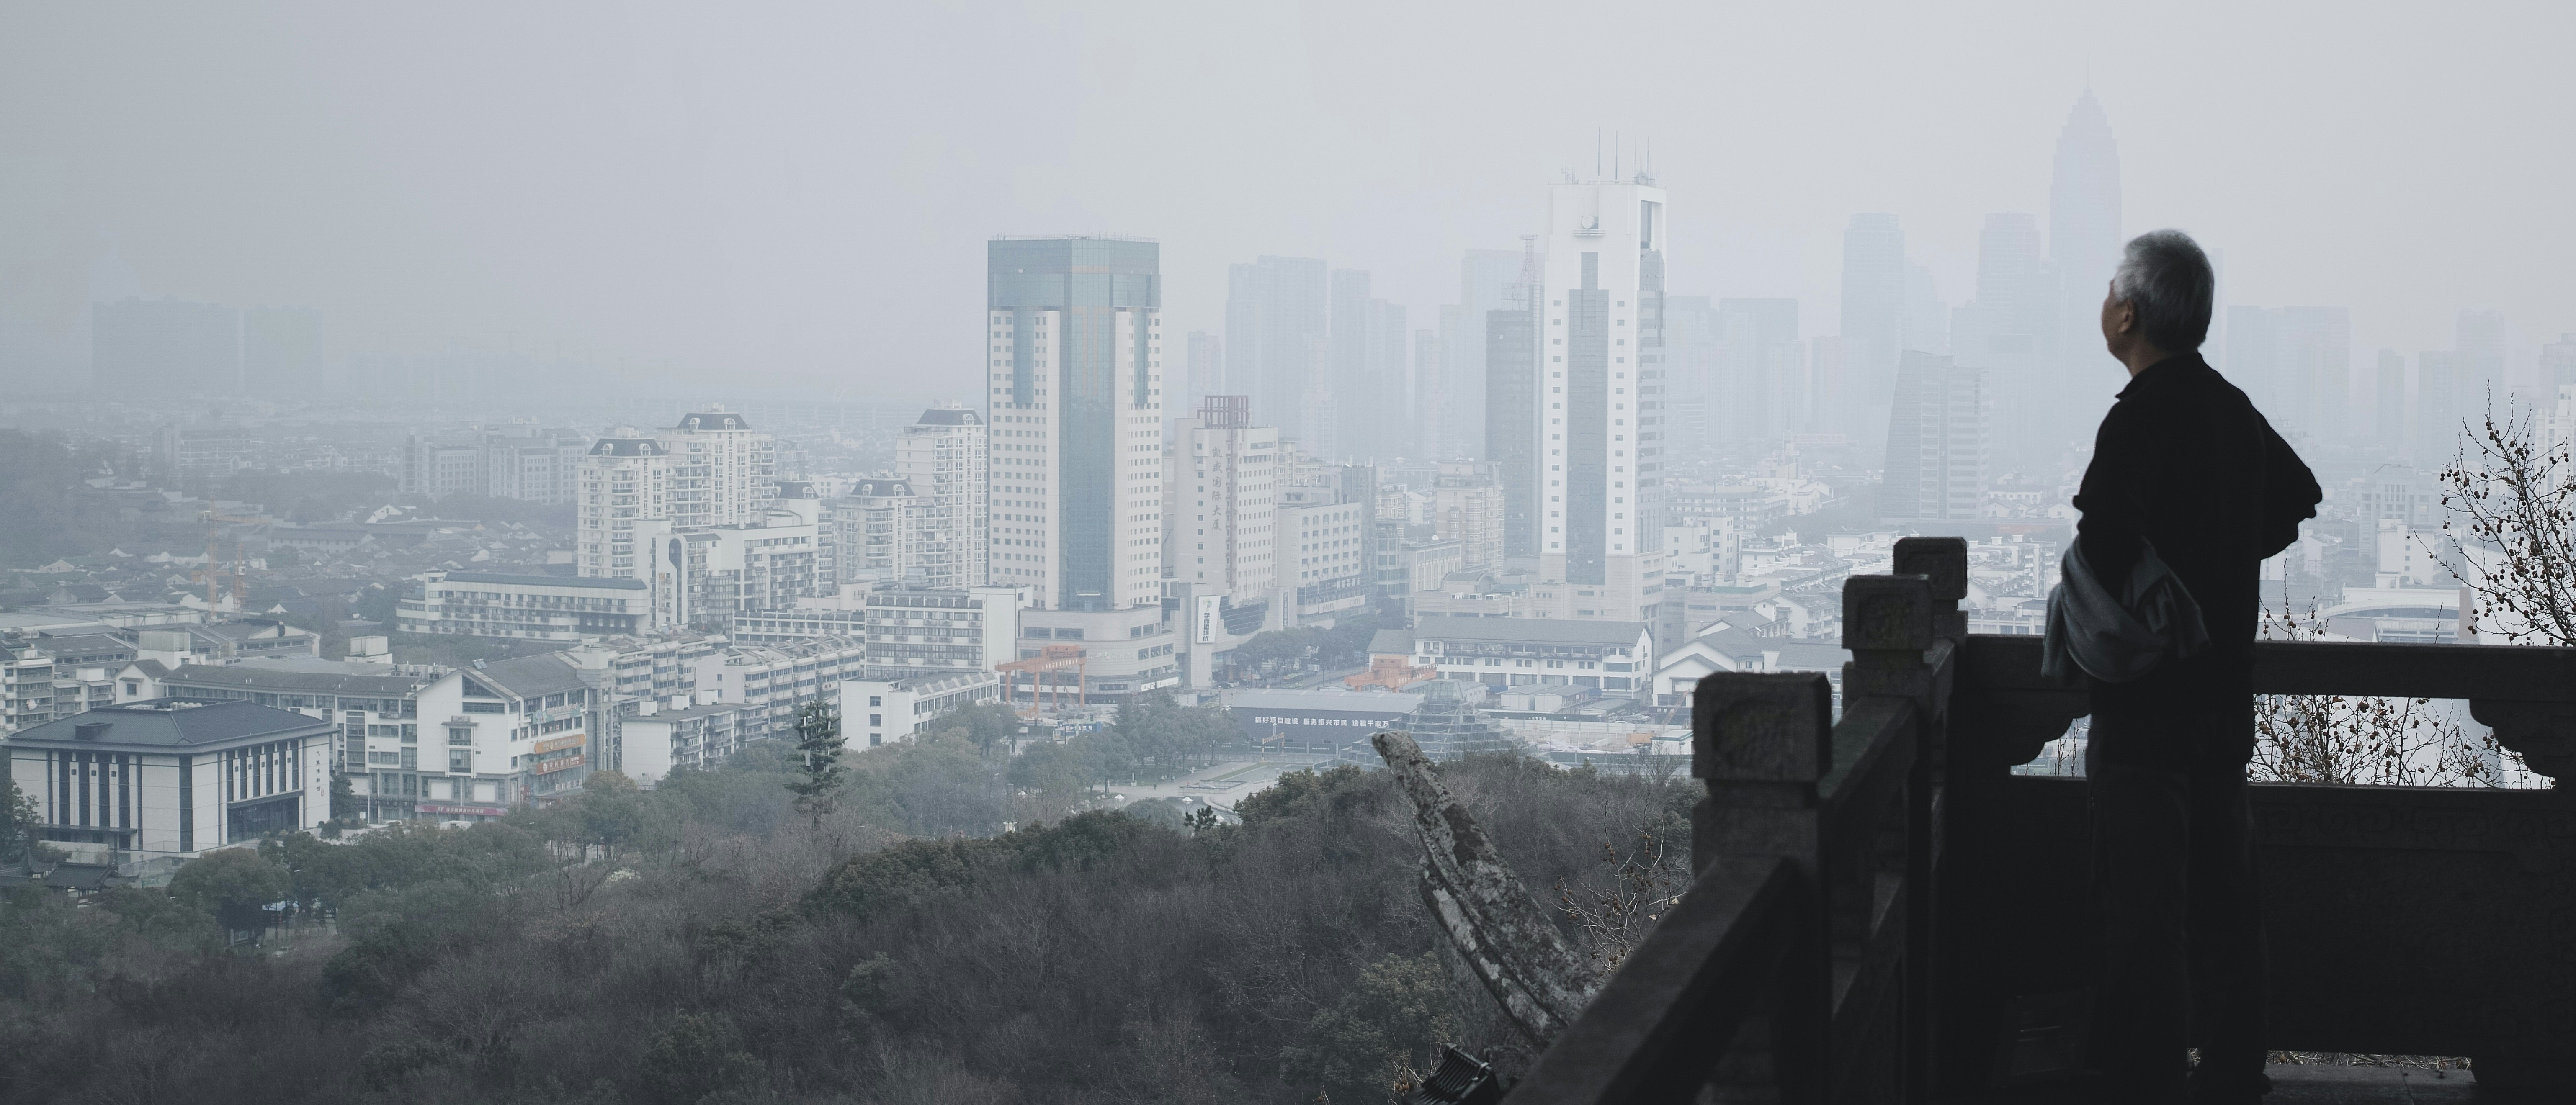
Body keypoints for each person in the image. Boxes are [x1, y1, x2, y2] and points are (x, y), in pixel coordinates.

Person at [2073, 229, 2319, 1104]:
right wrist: (2220, 554)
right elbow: (2299, 498)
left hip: (2143, 710)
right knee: (2225, 911)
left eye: (2109, 290)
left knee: (2142, 919)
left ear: (2129, 313)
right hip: (2223, 703)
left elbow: (2103, 533)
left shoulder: (2136, 416)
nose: (2102, 302)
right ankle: (2232, 1078)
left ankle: (2145, 1081)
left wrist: (2151, 588)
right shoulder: (2229, 407)